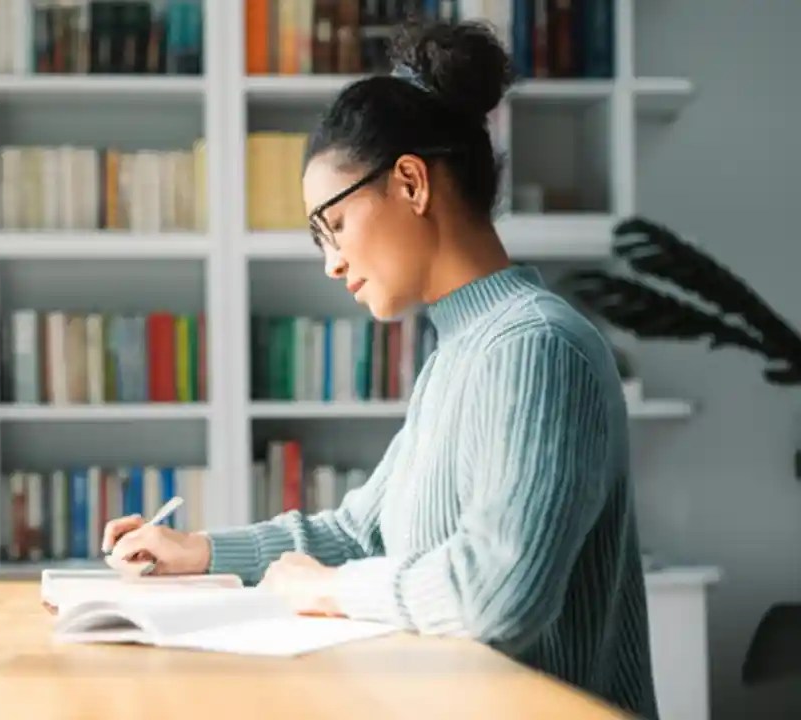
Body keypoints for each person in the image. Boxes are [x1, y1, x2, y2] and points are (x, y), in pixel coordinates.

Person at [101, 19, 658, 720]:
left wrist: (328, 590)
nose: (330, 261)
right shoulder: (461, 354)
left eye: (331, 225)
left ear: (411, 182)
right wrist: (201, 549)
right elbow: (362, 532)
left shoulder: (535, 347)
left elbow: (497, 593)